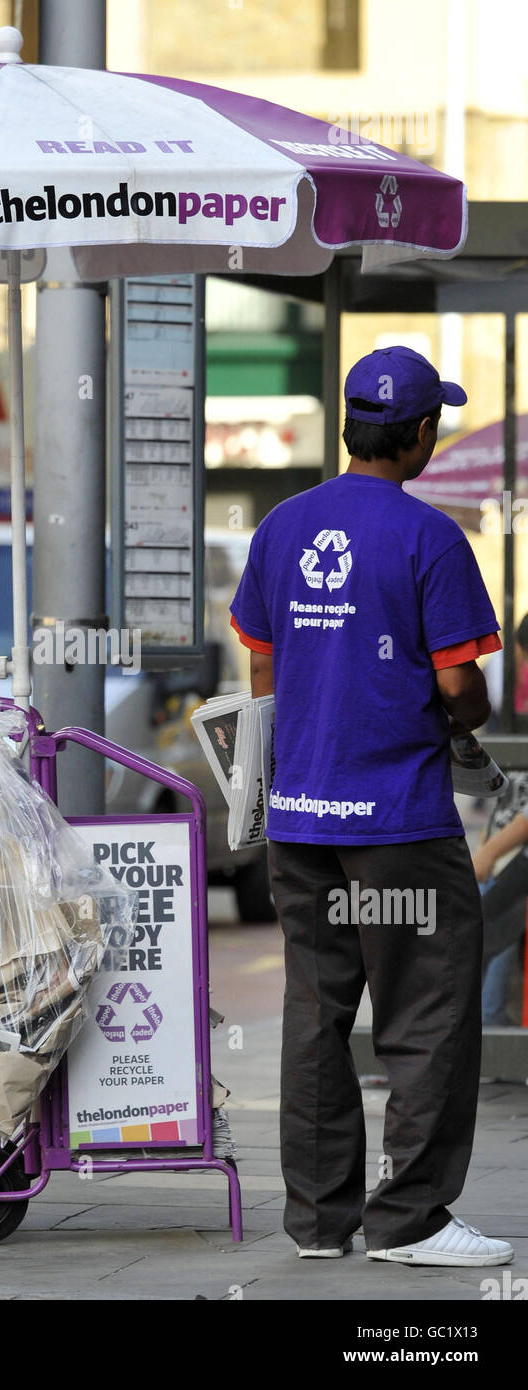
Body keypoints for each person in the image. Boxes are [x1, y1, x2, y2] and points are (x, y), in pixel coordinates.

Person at [230, 346, 513, 1267]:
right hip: (397, 824)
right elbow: (457, 683)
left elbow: (262, 669)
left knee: (316, 1011)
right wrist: (461, 714)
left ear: (351, 423)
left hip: (301, 822)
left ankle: (318, 1223)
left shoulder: (280, 527)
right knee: (424, 1014)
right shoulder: (428, 537)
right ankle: (413, 1221)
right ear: (423, 432)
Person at [472, 782, 528, 1025]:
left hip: (515, 867)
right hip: (497, 864)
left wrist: (488, 853)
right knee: (490, 990)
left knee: (492, 997)